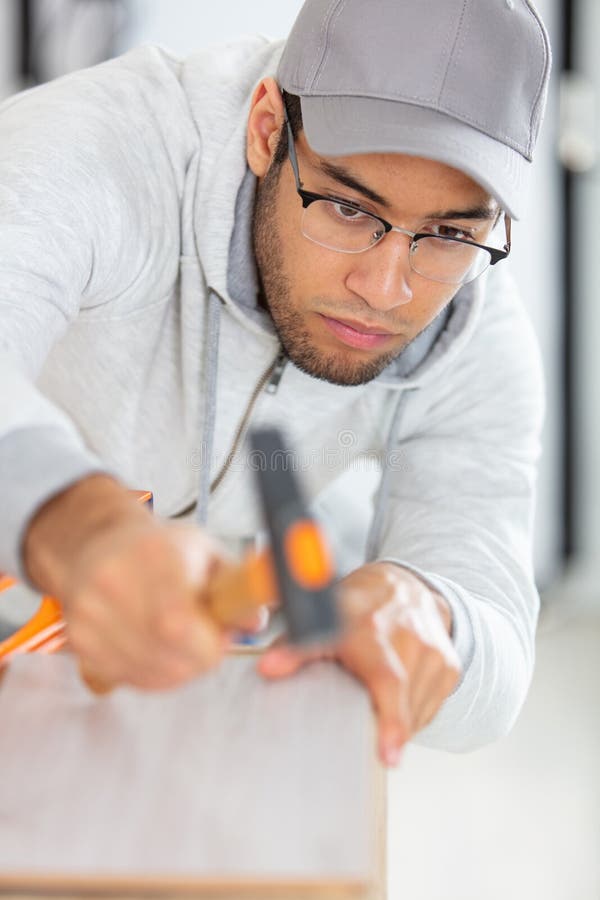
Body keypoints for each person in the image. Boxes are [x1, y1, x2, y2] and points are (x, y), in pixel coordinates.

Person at [0, 0, 551, 764]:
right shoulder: (99, 149)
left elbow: (497, 644)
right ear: (267, 131)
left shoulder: (476, 333)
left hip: (199, 670)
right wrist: (80, 529)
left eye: (451, 232)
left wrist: (437, 620)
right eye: (347, 208)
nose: (385, 289)